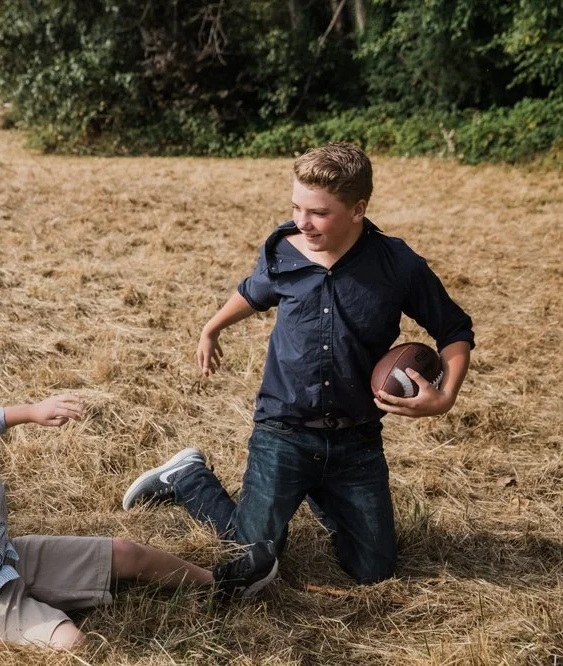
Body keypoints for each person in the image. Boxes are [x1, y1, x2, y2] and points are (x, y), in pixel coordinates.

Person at [123, 142, 474, 584]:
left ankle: (324, 492)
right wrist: (211, 328)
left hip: (356, 441)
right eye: (296, 207)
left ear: (357, 209)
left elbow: (455, 330)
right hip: (283, 431)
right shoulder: (284, 250)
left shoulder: (397, 264)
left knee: (374, 570)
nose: (302, 222)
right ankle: (189, 477)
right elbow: (254, 291)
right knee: (253, 558)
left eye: (318, 213)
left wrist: (444, 397)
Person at [0, 358, 278, 665]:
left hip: (1, 556)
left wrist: (30, 411)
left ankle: (220, 585)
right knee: (71, 644)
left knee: (126, 553)